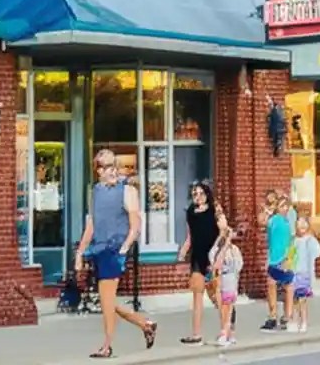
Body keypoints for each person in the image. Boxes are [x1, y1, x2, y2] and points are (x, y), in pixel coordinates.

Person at [74, 149, 157, 359]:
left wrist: (125, 246)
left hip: (114, 250)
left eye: (112, 166)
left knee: (106, 302)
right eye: (105, 167)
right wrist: (80, 251)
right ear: (98, 171)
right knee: (107, 302)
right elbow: (92, 224)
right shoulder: (96, 192)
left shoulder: (127, 190)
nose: (110, 171)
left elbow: (136, 222)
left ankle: (107, 346)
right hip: (99, 249)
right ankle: (145, 324)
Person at [177, 180, 228, 346]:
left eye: (200, 193)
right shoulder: (191, 212)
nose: (197, 197)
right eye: (194, 194)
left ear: (207, 194)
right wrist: (183, 250)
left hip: (213, 255)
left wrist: (219, 254)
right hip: (197, 256)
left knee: (216, 294)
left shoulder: (215, 209)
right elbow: (190, 236)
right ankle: (196, 333)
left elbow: (225, 232)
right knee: (197, 293)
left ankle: (225, 330)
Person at [264, 197, 297, 332]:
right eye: (282, 206)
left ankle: (288, 316)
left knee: (288, 287)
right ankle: (273, 316)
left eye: (286, 206)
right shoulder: (273, 220)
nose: (284, 208)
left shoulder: (289, 222)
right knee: (271, 284)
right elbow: (265, 224)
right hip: (274, 258)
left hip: (286, 257)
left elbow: (292, 240)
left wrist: (289, 258)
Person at [210, 227, 243, 347]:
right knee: (225, 310)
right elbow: (215, 262)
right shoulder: (218, 250)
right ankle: (227, 333)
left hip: (229, 283)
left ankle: (226, 333)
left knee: (227, 309)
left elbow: (238, 267)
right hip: (224, 283)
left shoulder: (233, 250)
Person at [291, 215, 320, 333]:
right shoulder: (293, 240)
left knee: (302, 299)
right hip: (294, 273)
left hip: (304, 273)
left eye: (304, 224)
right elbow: (290, 255)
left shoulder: (310, 240)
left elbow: (317, 252)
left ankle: (303, 321)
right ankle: (294, 320)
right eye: (299, 225)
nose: (301, 227)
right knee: (294, 299)